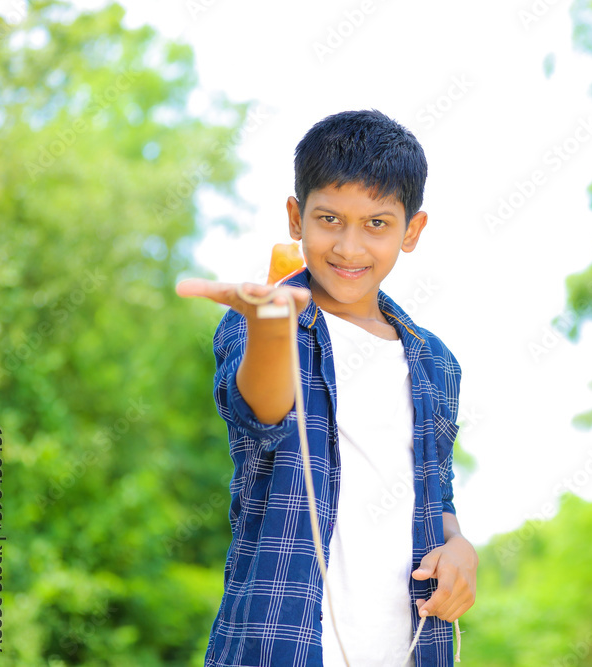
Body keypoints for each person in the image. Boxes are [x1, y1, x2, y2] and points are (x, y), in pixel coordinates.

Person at [175, 109, 477, 666]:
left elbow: (437, 493)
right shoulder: (265, 319)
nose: (349, 247)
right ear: (296, 217)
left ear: (412, 230)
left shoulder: (437, 363)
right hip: (281, 643)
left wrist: (459, 546)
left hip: (410, 647)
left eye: (377, 224)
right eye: (329, 219)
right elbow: (261, 413)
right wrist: (271, 326)